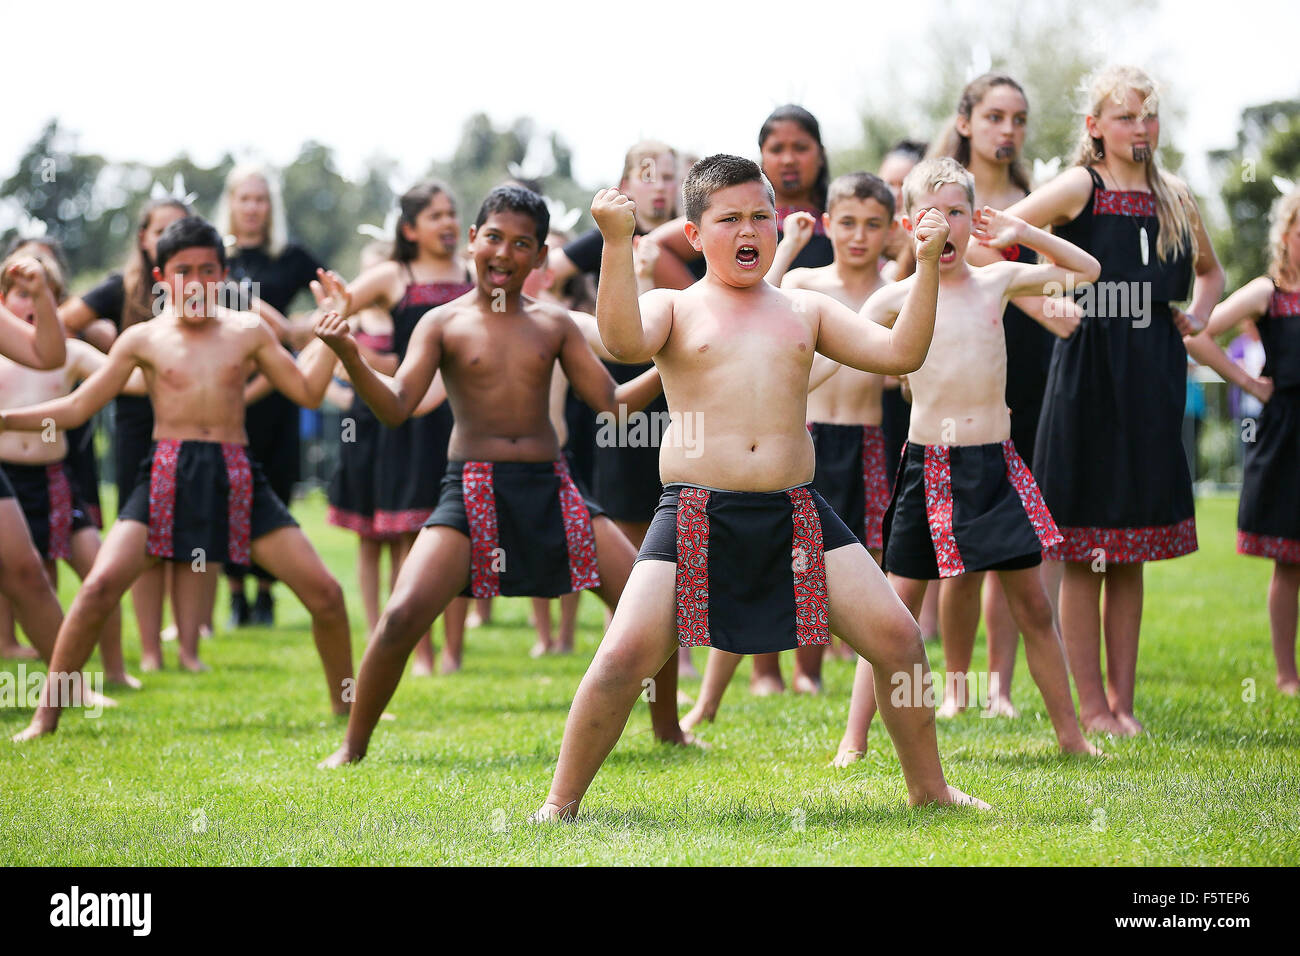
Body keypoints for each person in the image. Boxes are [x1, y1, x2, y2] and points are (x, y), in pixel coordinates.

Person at [533, 155, 988, 820]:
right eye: (728, 219)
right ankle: (559, 805)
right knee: (623, 656)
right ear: (694, 234)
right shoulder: (675, 307)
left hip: (796, 511)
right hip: (694, 510)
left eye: (759, 215)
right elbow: (622, 342)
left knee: (898, 638)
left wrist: (924, 268)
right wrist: (615, 239)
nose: (748, 229)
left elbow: (900, 355)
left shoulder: (806, 309)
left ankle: (931, 789)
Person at [314, 185, 690, 768]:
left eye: (522, 244)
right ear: (472, 241)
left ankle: (669, 732)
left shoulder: (555, 324)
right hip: (470, 489)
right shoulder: (441, 324)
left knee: (649, 605)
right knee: (401, 617)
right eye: (493, 237)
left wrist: (670, 367)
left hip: (553, 486)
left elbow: (611, 405)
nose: (504, 253)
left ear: (540, 258)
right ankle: (353, 744)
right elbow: (395, 406)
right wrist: (348, 354)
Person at [3, 216, 352, 740]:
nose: (196, 283)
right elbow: (78, 406)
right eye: (183, 272)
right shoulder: (141, 339)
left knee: (325, 593)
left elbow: (305, 391)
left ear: (224, 275)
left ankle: (348, 708)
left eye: (207, 271)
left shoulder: (249, 331)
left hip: (236, 473)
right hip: (166, 471)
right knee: (97, 587)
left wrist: (329, 334)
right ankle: (45, 717)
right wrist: (6, 420)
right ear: (163, 278)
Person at [832, 156, 1102, 764]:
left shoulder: (995, 283)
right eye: (931, 212)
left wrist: (1023, 234)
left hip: (996, 466)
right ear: (908, 224)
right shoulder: (891, 300)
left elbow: (1086, 269)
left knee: (1032, 603)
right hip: (927, 468)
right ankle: (853, 740)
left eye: (956, 211)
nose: (944, 224)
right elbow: (837, 354)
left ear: (973, 221)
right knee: (895, 611)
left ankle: (1072, 737)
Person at [1004, 65, 1237, 735]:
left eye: (1149, 116)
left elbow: (1212, 272)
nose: (1141, 127)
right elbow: (998, 235)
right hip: (1088, 370)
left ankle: (1124, 706)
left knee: (1130, 547)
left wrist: (1198, 315)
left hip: (1155, 372)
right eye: (1127, 116)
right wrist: (1044, 303)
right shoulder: (1083, 186)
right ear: (1095, 126)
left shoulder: (1177, 197)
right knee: (1088, 548)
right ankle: (1093, 708)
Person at [681, 172, 898, 729]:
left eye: (873, 225)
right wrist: (792, 247)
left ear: (890, 231)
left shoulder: (894, 282)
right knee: (761, 569)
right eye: (847, 223)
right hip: (809, 435)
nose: (858, 235)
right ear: (829, 223)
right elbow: (751, 314)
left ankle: (817, 670)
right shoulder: (806, 282)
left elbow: (908, 356)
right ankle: (711, 698)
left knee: (852, 566)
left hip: (868, 439)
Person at [928, 73, 1078, 717]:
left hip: (1034, 375)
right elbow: (916, 275)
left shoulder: (1034, 203)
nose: (1008, 130)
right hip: (957, 378)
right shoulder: (940, 198)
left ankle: (1002, 688)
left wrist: (1046, 304)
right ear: (965, 121)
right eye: (993, 116)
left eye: (1018, 118)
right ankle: (956, 686)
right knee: (960, 542)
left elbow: (1068, 288)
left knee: (1016, 538)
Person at [309, 181, 475, 675]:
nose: (448, 223)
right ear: (409, 228)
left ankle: (453, 653)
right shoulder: (393, 275)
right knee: (409, 535)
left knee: (464, 536)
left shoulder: (473, 273)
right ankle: (418, 654)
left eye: (452, 213)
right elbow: (338, 313)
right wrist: (334, 310)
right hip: (407, 418)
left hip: (463, 419)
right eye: (435, 215)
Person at [58, 198, 217, 669]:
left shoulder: (208, 288)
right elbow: (63, 324)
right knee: (146, 540)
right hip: (137, 426)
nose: (172, 235)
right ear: (145, 239)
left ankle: (188, 648)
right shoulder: (120, 288)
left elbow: (262, 329)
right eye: (161, 229)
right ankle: (150, 650)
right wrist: (107, 350)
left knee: (194, 538)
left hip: (198, 427)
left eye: (181, 226)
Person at [0, 253, 141, 687]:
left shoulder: (66, 350)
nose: (29, 302)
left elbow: (125, 381)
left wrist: (161, 355)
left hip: (51, 478)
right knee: (24, 573)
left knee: (92, 572)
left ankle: (92, 680)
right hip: (10, 469)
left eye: (41, 295)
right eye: (21, 293)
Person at [214, 165, 325, 628]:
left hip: (276, 393)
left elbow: (334, 298)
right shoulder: (217, 257)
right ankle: (235, 591)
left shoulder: (291, 256)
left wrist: (298, 332)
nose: (253, 208)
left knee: (274, 486)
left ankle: (265, 593)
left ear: (270, 206)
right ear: (232, 203)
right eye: (245, 199)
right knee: (227, 491)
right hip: (225, 392)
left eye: (261, 199)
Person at [1202, 185, 1300, 693]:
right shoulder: (1268, 293)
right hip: (1287, 435)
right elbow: (1200, 332)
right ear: (1285, 234)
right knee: (1289, 559)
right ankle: (1287, 675)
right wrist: (1246, 382)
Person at [323, 240, 400, 640]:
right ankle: (373, 626)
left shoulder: (406, 322)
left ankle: (397, 623)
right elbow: (331, 373)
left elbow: (403, 368)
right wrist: (346, 396)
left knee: (401, 536)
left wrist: (364, 360)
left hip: (401, 431)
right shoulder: (349, 322)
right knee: (369, 540)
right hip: (361, 436)